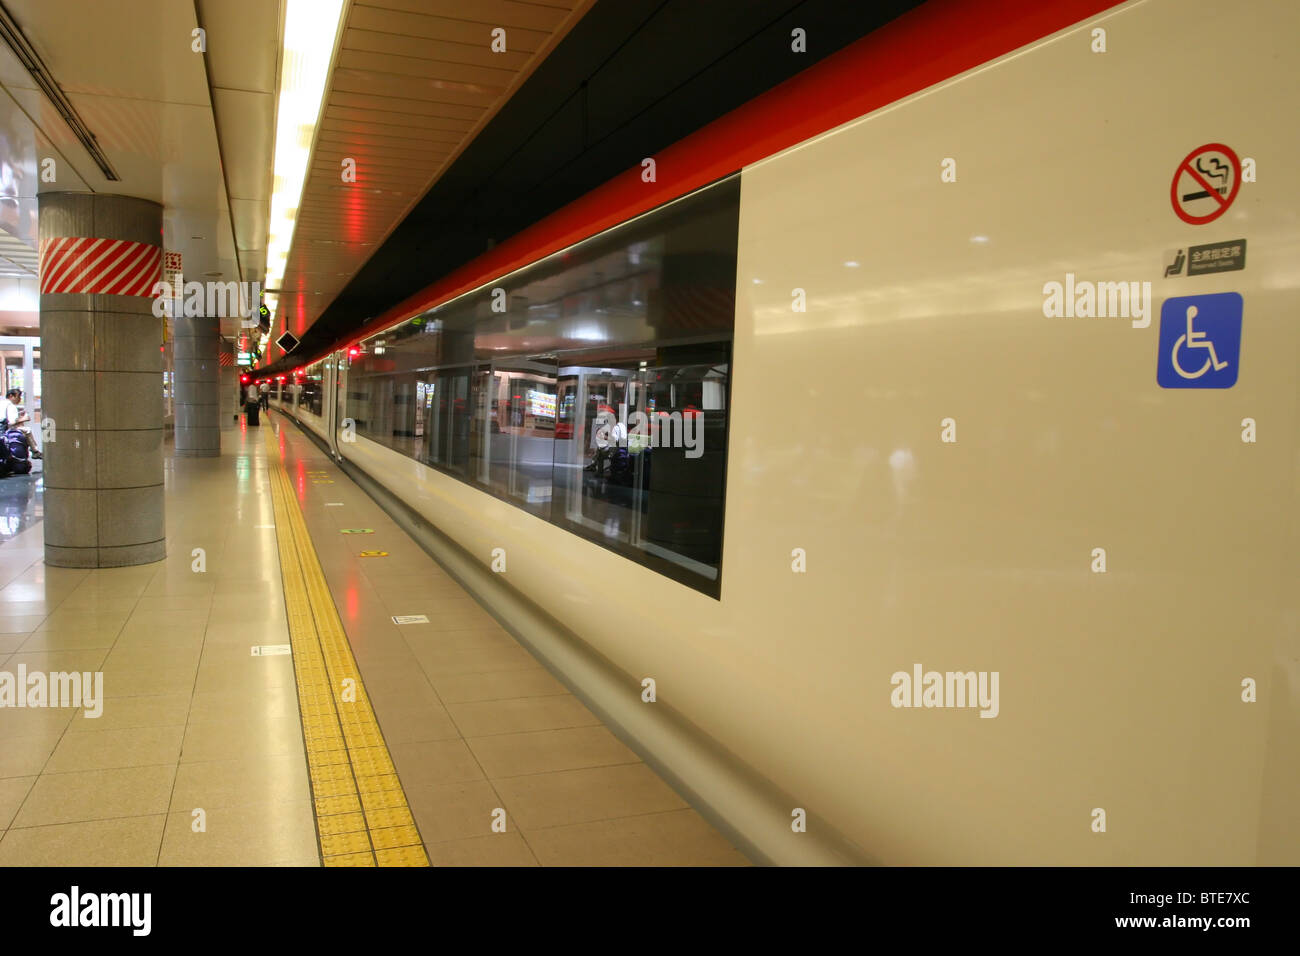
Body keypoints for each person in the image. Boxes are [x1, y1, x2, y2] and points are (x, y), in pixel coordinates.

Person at [3, 388, 41, 460]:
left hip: (4, 428)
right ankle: (35, 451)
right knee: (27, 430)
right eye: (18, 396)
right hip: (7, 429)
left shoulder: (3, 403)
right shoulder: (11, 406)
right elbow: (11, 422)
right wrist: (24, 418)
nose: (20, 399)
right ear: (11, 396)